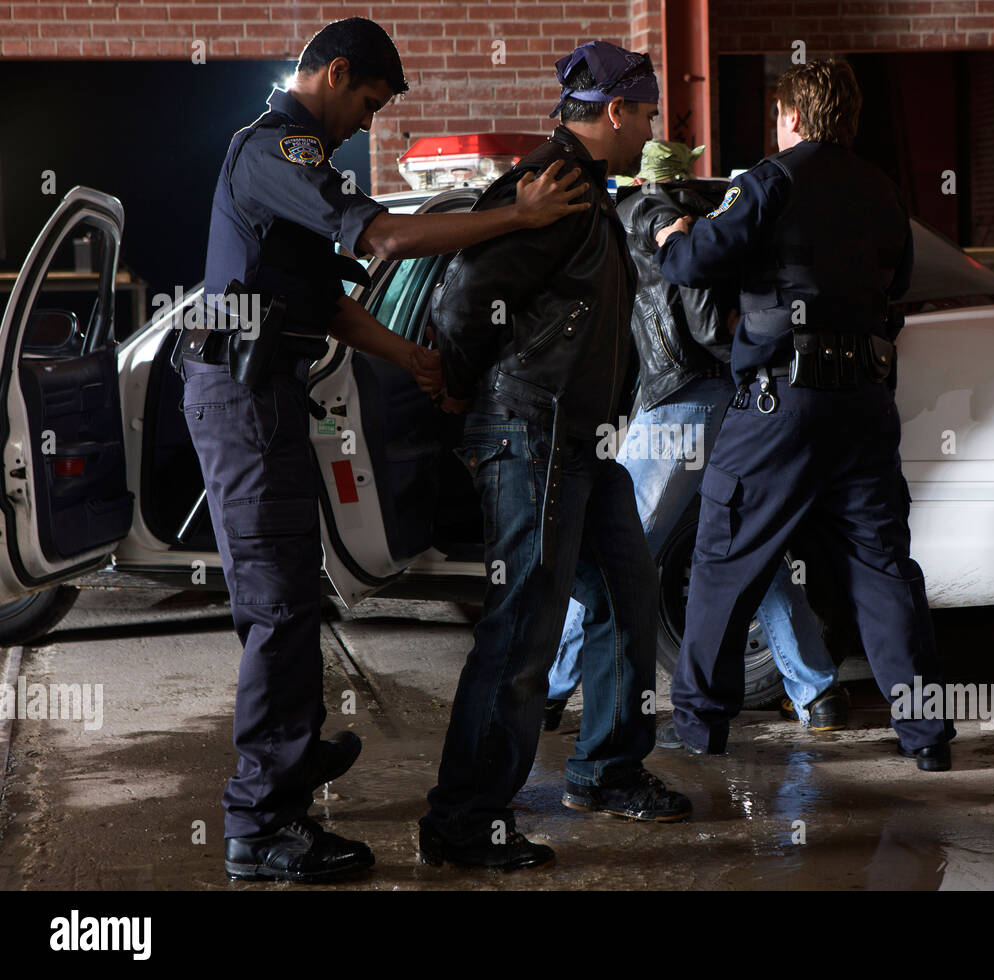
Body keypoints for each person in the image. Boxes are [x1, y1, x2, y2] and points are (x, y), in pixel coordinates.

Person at [183, 16, 588, 883]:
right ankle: (261, 825)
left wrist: (412, 357)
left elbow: (323, 305)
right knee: (280, 612)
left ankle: (286, 760)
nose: (367, 123)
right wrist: (512, 217)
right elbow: (386, 236)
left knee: (294, 599)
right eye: (367, 103)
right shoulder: (273, 151)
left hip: (268, 392)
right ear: (333, 74)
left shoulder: (296, 163)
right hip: (242, 397)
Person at [424, 41, 691, 873]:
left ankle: (607, 770)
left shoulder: (584, 190)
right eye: (646, 112)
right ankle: (464, 819)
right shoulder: (551, 188)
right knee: (522, 629)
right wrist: (466, 388)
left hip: (583, 441)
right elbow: (467, 296)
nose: (650, 127)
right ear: (617, 112)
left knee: (626, 593)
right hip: (533, 432)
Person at [650, 60, 955, 768]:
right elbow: (899, 280)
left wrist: (670, 236)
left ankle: (699, 728)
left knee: (724, 560)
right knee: (882, 572)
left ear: (790, 117)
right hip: (864, 409)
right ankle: (927, 737)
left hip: (779, 410)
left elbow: (696, 263)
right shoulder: (883, 192)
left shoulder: (770, 180)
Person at [542, 139, 848, 734]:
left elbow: (699, 313)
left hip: (677, 405)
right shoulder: (714, 215)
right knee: (752, 553)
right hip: (736, 403)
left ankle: (548, 691)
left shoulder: (644, 211)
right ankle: (818, 694)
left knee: (615, 550)